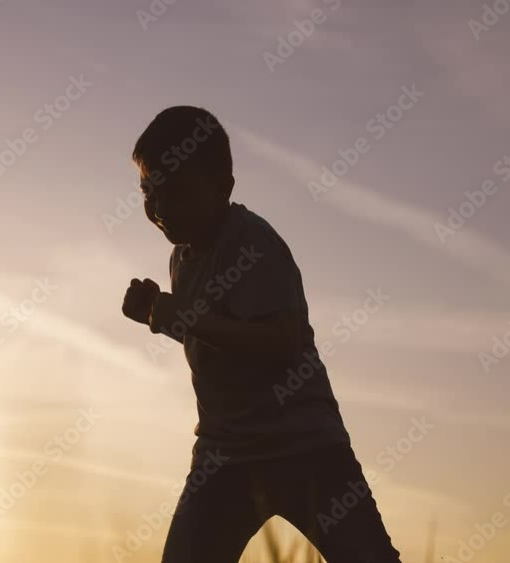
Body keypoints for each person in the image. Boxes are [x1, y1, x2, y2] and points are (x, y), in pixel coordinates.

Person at [121, 106, 402, 562]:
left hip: (305, 447)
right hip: (224, 456)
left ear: (222, 187)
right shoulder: (183, 259)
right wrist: (159, 315)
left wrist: (186, 314)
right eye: (148, 193)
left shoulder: (252, 242)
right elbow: (220, 339)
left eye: (175, 193)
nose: (158, 209)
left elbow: (279, 342)